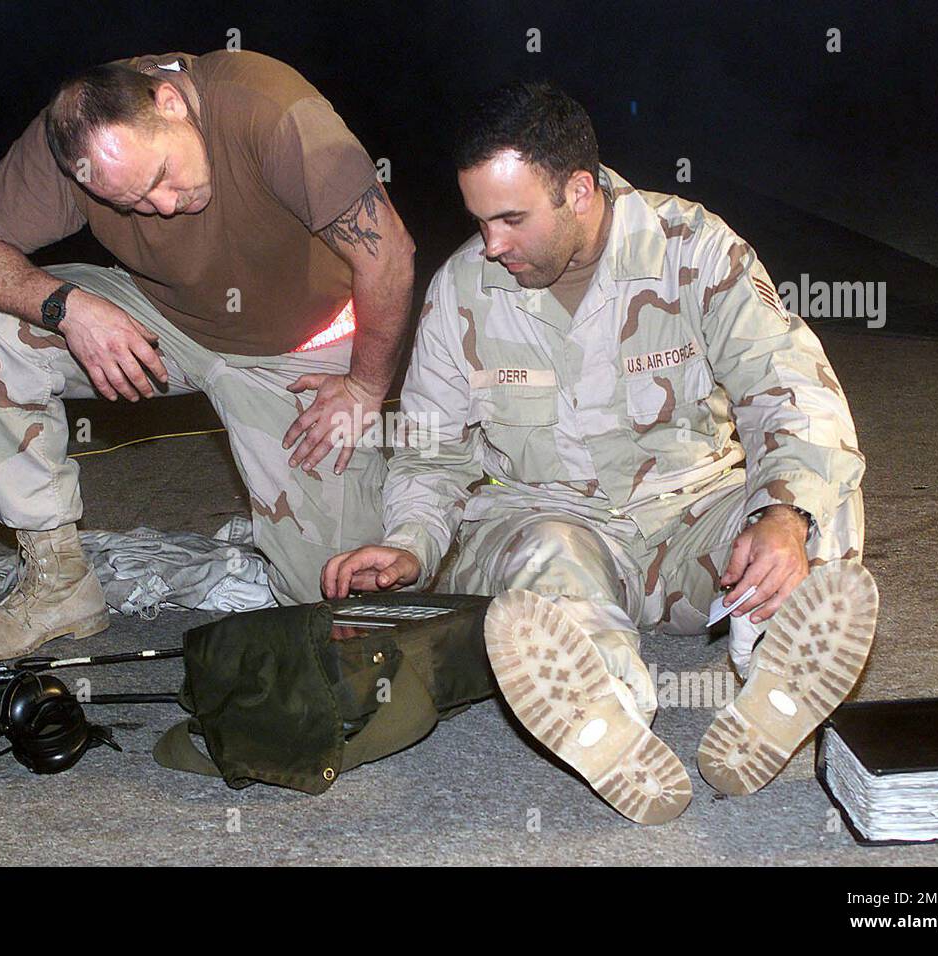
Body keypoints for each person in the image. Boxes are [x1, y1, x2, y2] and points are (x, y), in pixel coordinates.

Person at [322, 80, 878, 825]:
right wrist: (409, 544)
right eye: (480, 220)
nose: (492, 244)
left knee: (821, 492)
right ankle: (607, 714)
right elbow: (432, 455)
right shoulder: (462, 289)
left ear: (579, 191)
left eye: (512, 219)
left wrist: (782, 513)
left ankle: (770, 676)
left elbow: (787, 386)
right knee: (545, 557)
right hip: (555, 525)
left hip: (694, 530)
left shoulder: (694, 249)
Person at [0, 50, 414, 662]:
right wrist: (66, 308)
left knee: (340, 606)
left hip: (300, 350)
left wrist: (365, 389)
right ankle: (58, 584)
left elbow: (390, 254)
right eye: (132, 202)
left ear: (171, 102)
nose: (162, 205)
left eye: (162, 175)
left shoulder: (269, 108)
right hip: (164, 321)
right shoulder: (78, 136)